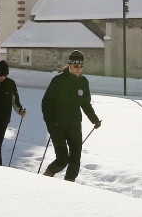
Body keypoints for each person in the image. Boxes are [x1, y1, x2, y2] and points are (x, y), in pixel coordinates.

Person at [41, 50, 102, 180]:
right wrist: (50, 122)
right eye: (76, 66)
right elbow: (46, 102)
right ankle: (45, 178)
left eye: (81, 66)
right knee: (63, 159)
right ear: (69, 65)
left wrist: (94, 119)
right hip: (58, 126)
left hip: (74, 125)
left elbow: (85, 104)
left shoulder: (83, 82)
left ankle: (69, 185)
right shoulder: (58, 81)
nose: (78, 69)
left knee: (75, 159)